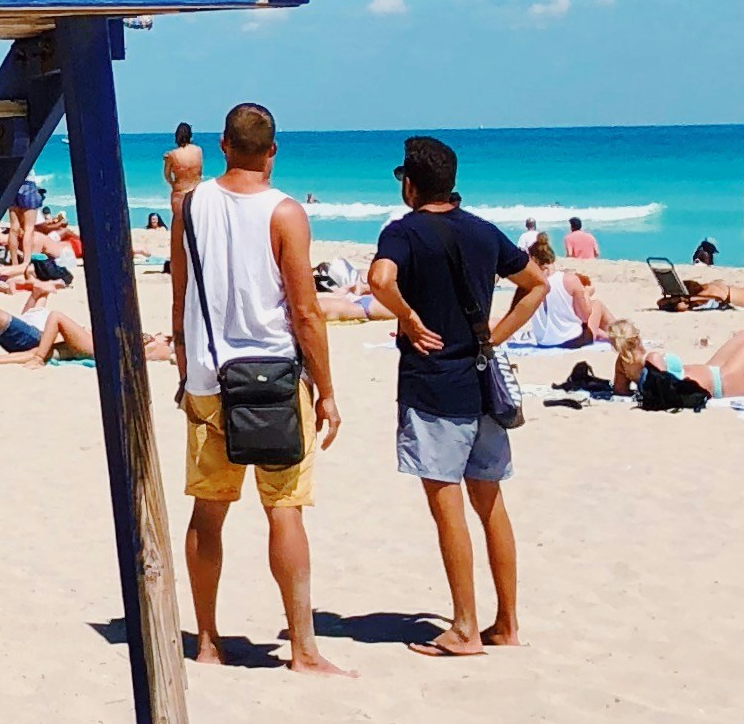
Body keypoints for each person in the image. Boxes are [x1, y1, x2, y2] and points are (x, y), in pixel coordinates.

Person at [169, 103, 346, 673]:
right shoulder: (285, 212)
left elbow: (181, 294)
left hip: (208, 376)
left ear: (225, 144)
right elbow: (304, 310)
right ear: (273, 150)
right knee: (285, 511)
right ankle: (302, 648)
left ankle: (208, 642)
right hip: (272, 377)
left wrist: (182, 362)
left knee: (209, 511)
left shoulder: (190, 206)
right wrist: (327, 389)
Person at [370, 136, 549, 658]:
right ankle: (507, 623)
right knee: (490, 503)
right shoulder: (482, 231)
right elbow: (536, 284)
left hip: (434, 384)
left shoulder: (403, 232)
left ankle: (466, 627)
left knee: (447, 505)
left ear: (410, 182)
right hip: (481, 380)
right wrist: (496, 334)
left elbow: (380, 279)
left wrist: (407, 317)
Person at [607, 311, 744, 405]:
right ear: (636, 338)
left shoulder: (622, 365)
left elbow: (621, 391)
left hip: (713, 371)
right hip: (722, 384)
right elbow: (672, 387)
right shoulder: (652, 358)